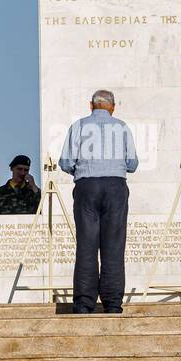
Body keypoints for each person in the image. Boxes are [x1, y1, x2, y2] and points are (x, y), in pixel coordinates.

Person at [58, 89, 138, 314]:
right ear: (113, 107)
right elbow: (132, 164)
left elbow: (65, 162)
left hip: (86, 186)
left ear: (91, 105)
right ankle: (112, 303)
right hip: (115, 187)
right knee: (114, 246)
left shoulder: (79, 126)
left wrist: (82, 170)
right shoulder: (121, 127)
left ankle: (84, 304)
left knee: (86, 246)